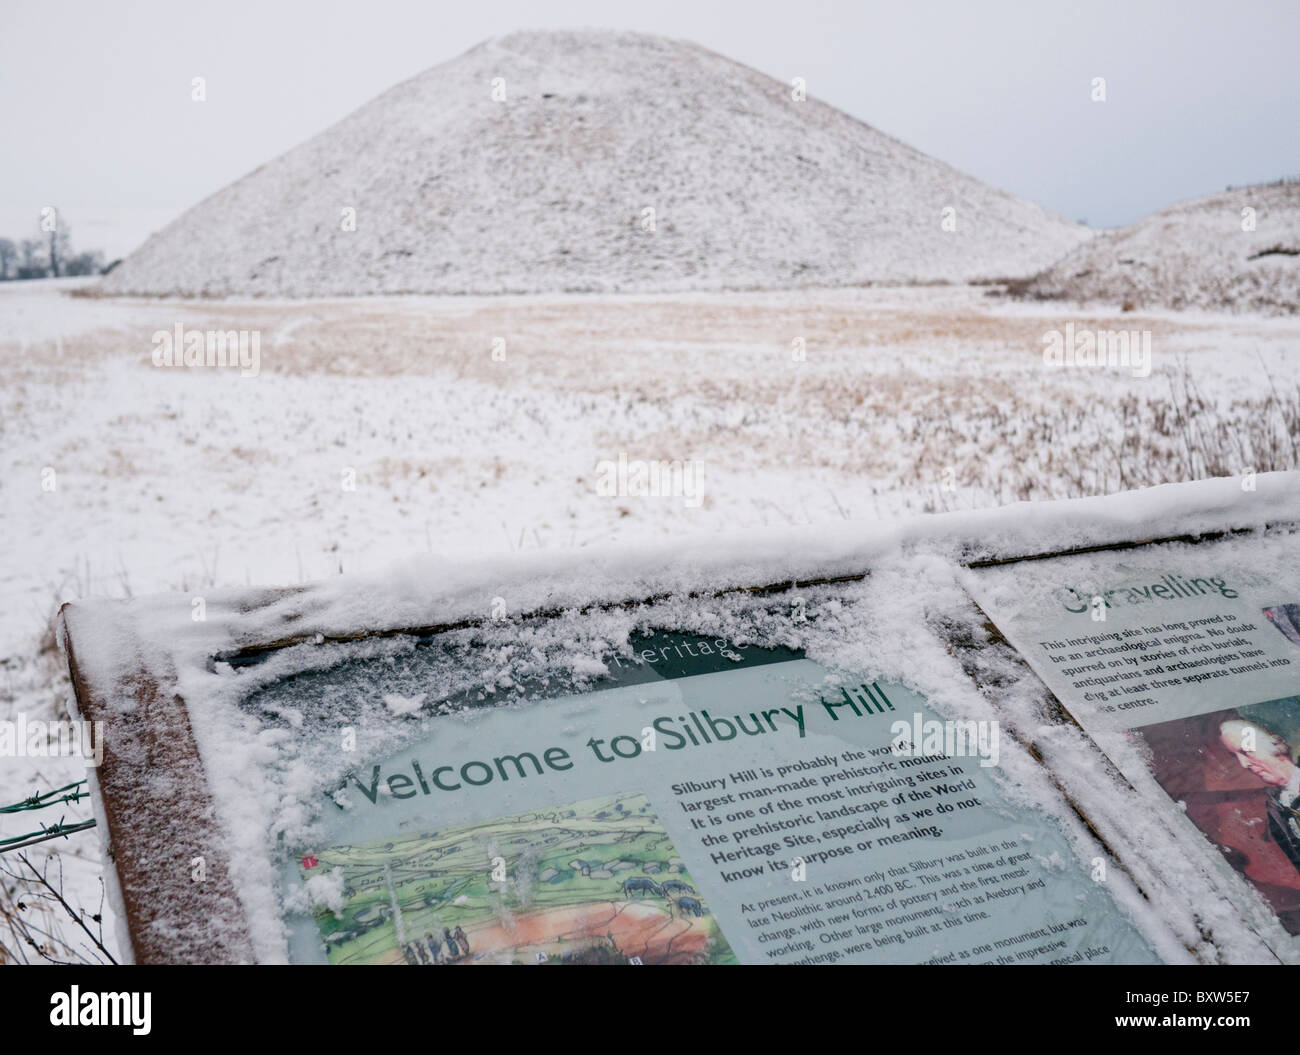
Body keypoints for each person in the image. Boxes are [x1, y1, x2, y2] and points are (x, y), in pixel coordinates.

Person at [1219, 719, 1300, 870]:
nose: (1243, 764)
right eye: (1234, 756)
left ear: (1275, 742)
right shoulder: (1275, 812)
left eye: (1246, 751)